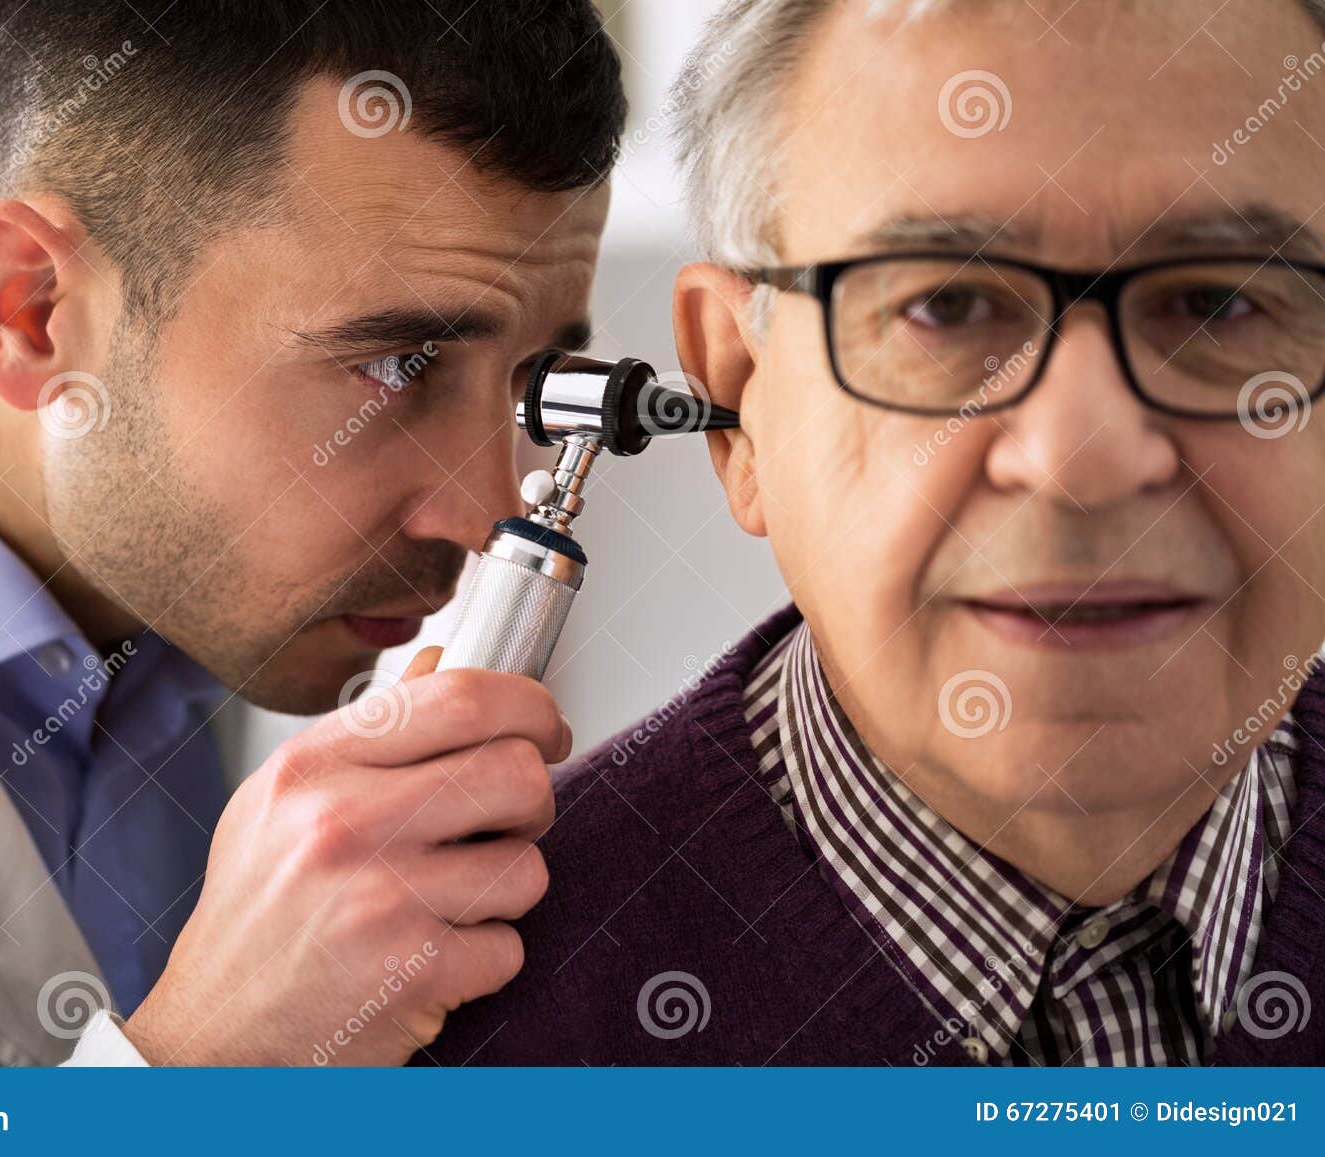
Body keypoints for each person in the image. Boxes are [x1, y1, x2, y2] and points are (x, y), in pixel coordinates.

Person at [424, 0, 1325, 1066]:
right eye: (946, 306)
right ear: (738, 399)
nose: (1081, 462)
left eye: (1221, 303)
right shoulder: (424, 1043)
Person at [0, 0, 624, 1066]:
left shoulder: (259, 615)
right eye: (397, 368)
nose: (483, 513)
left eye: (529, 384)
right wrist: (203, 1062)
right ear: (32, 309)